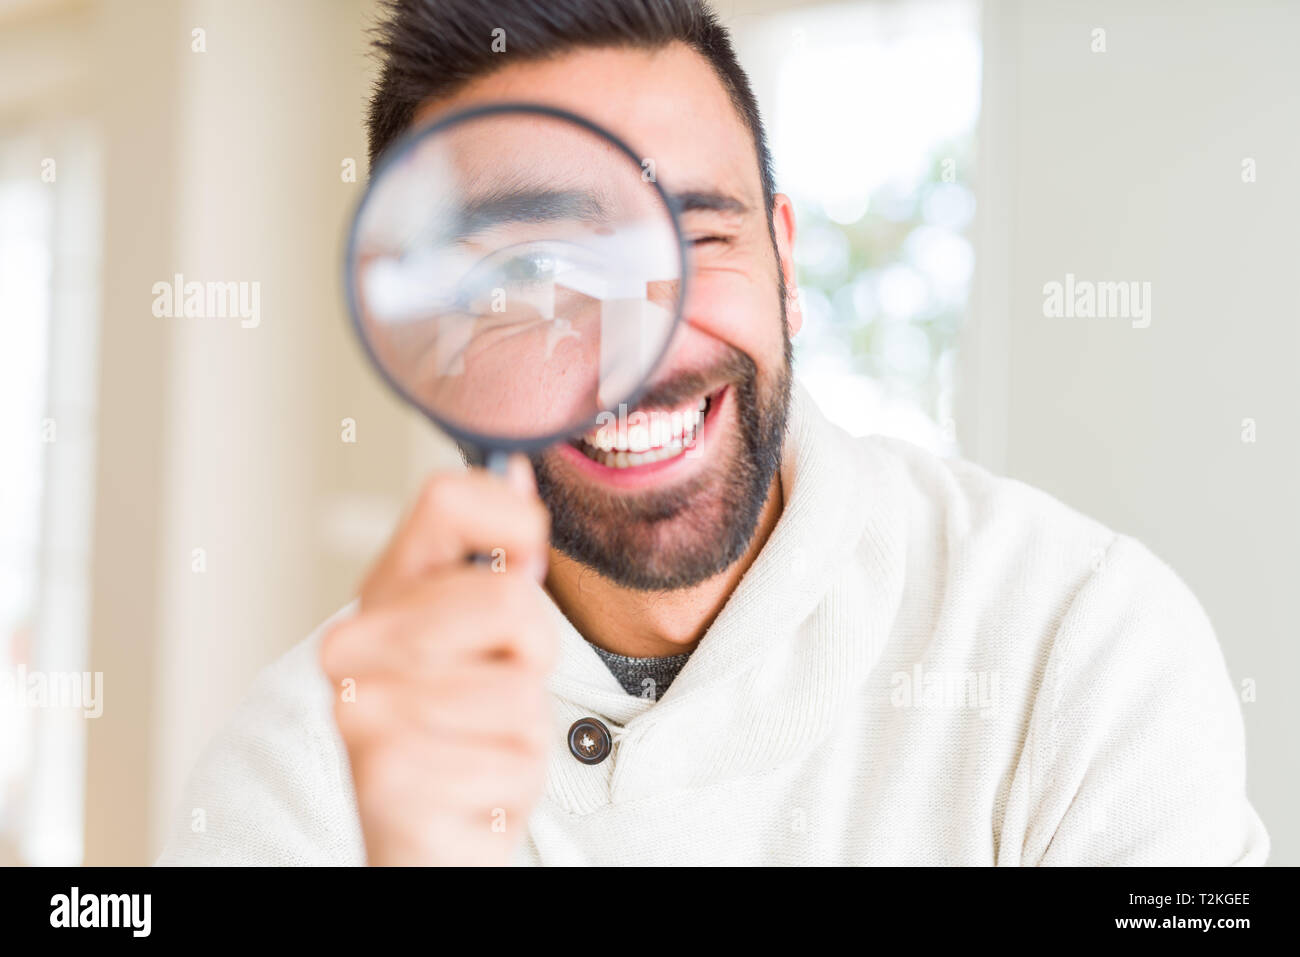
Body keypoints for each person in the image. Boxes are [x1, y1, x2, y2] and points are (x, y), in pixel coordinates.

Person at [156, 0, 1268, 866]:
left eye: (695, 237)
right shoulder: (307, 769)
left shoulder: (1081, 645)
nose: (634, 349)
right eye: (532, 273)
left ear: (785, 266)